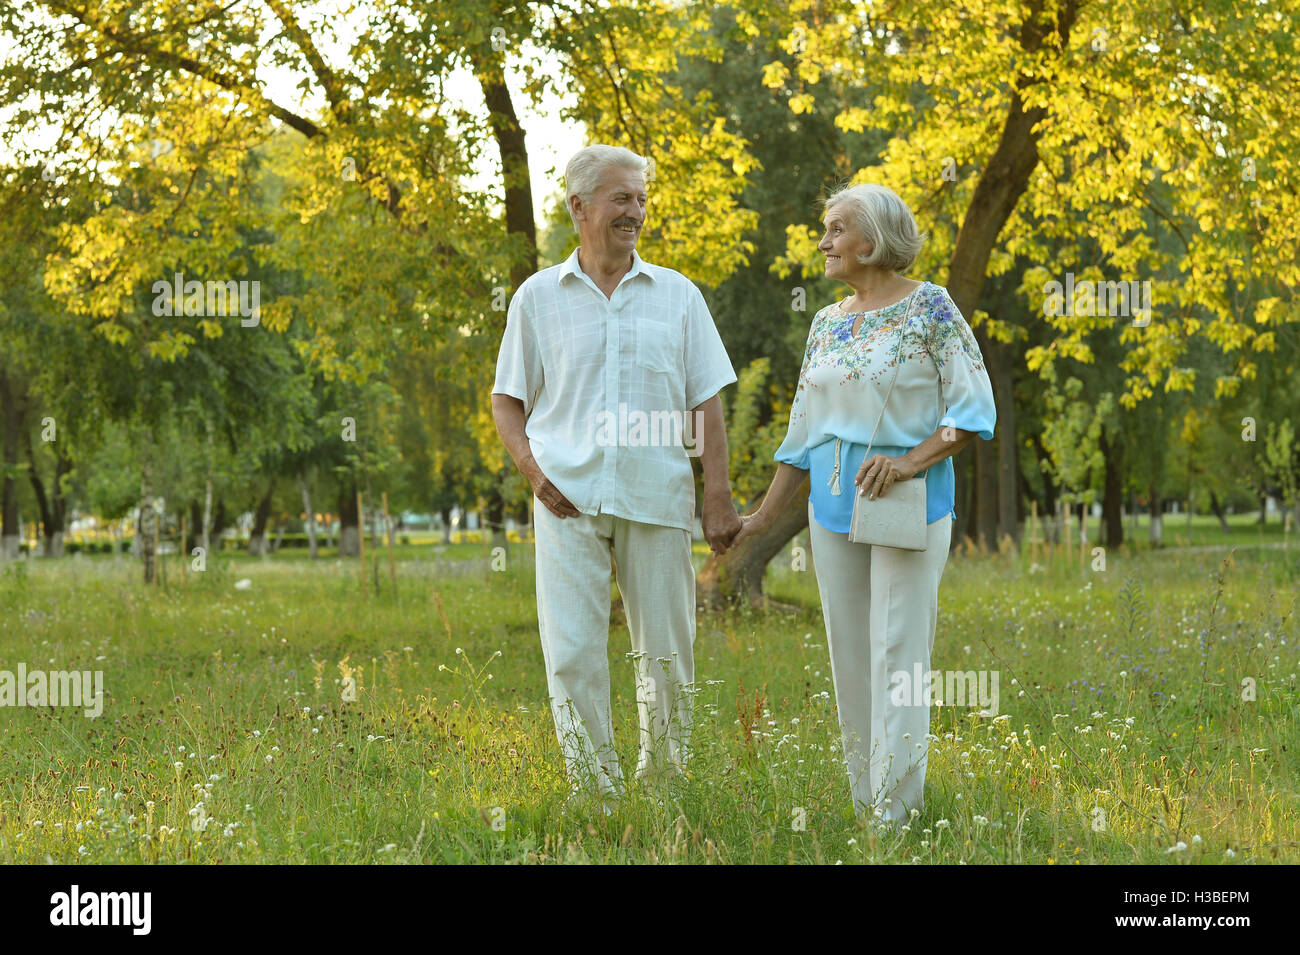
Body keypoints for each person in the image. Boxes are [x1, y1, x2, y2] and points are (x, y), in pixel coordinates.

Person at [734, 183, 996, 825]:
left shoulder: (932, 307)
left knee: (898, 651)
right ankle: (865, 805)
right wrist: (761, 519)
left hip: (907, 502)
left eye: (835, 229)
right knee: (849, 652)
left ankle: (897, 813)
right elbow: (801, 432)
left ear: (873, 238)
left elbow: (973, 409)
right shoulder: (825, 321)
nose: (823, 242)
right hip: (830, 506)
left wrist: (908, 461)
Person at [491, 144, 742, 803]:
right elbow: (507, 398)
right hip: (565, 493)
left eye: (640, 199)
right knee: (573, 651)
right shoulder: (537, 299)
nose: (635, 211)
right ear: (579, 207)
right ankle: (595, 789)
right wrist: (531, 469)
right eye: (620, 198)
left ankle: (662, 785)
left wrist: (717, 493)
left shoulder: (678, 296)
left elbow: (708, 398)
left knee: (665, 652)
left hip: (656, 492)